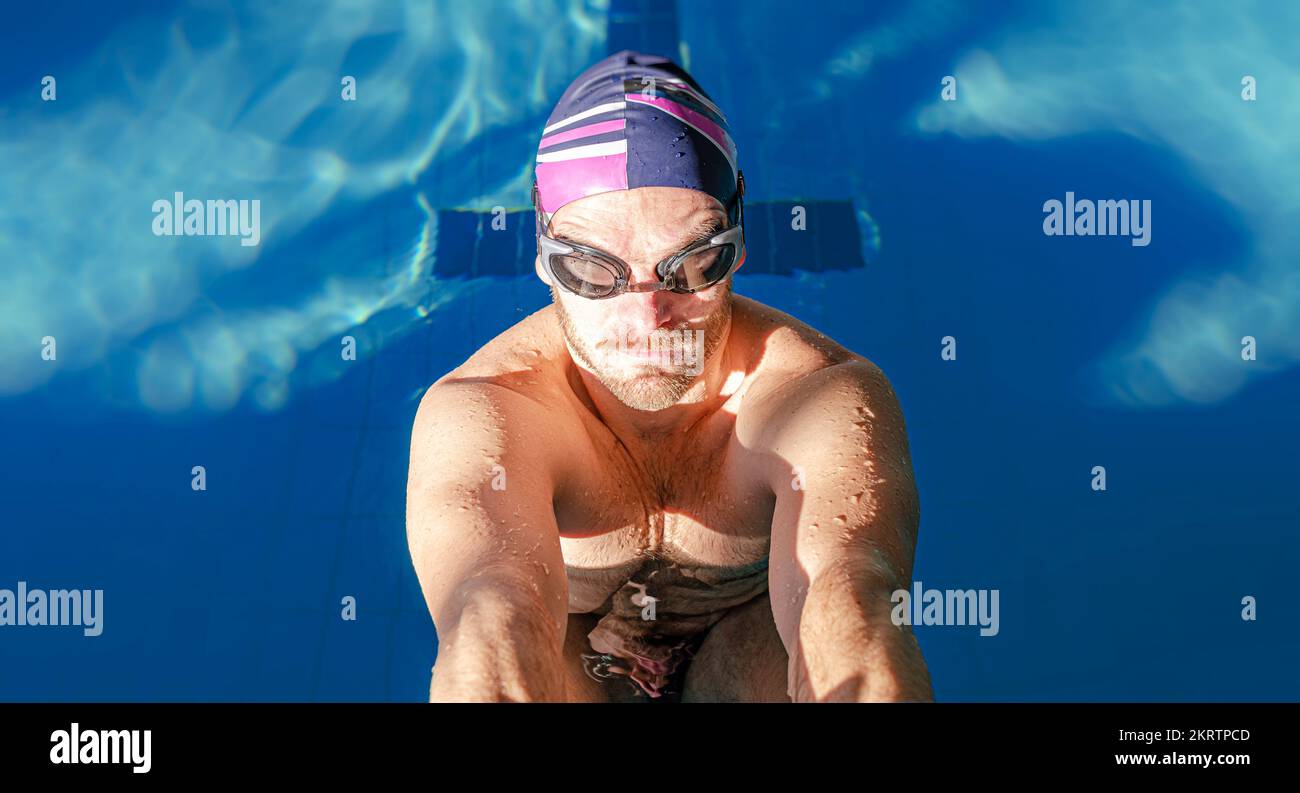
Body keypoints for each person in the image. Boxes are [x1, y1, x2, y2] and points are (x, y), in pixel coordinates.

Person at [406, 51, 932, 702]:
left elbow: (848, 597)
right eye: (592, 269)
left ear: (739, 231)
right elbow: (493, 615)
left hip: (742, 645)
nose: (649, 316)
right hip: (577, 654)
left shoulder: (819, 396)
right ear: (540, 247)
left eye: (693, 261)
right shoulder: (489, 411)